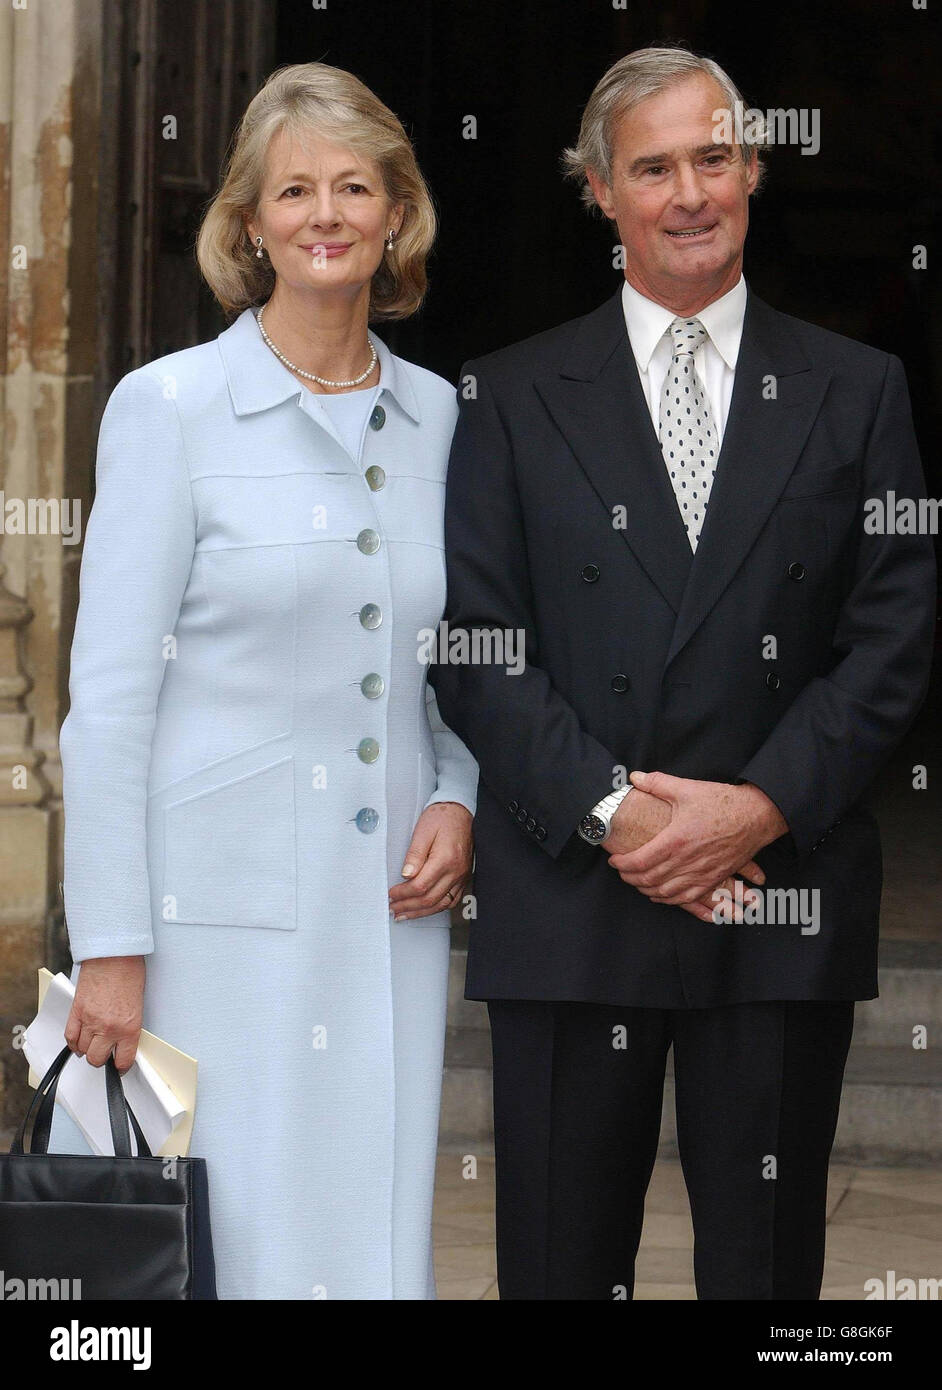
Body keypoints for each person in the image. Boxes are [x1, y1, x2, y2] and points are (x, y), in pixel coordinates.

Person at [428, 46, 936, 1299]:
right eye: (654, 167)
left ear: (754, 168)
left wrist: (754, 809)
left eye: (714, 157)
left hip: (775, 895)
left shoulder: (860, 390)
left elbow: (895, 637)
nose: (690, 191)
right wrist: (627, 816)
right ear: (600, 191)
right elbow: (475, 648)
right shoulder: (508, 394)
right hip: (571, 904)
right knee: (556, 1268)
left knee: (766, 1283)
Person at [49, 61, 478, 1301]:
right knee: (222, 1229)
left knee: (365, 1230)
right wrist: (114, 945)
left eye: (356, 187)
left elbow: (464, 658)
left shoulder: (445, 419)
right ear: (249, 223)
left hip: (387, 908)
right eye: (295, 191)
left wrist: (454, 790)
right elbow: (112, 700)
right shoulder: (168, 409)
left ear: (398, 213)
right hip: (204, 928)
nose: (327, 215)